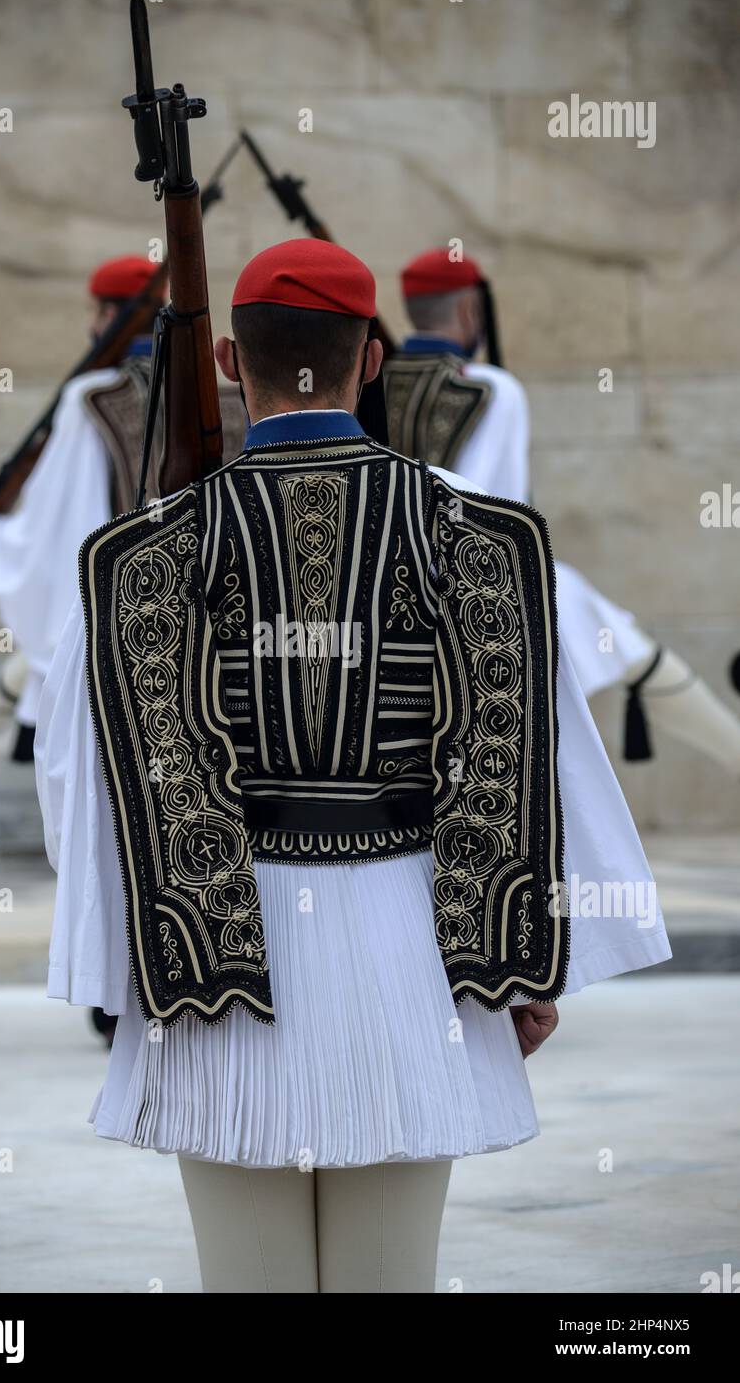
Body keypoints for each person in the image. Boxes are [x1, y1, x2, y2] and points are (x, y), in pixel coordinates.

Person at [35, 238, 670, 1295]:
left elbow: (85, 782)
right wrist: (522, 958)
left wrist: (126, 968)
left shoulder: (140, 553)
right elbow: (524, 758)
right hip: (412, 951)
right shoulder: (481, 535)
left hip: (218, 966)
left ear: (233, 362)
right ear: (371, 360)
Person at [0, 254, 245, 765]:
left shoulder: (90, 396)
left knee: (54, 654)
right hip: (207, 607)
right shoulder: (216, 391)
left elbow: (63, 525)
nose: (90, 326)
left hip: (118, 610)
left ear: (113, 316)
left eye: (96, 312)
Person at [384, 248, 740, 777]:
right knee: (622, 644)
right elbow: (497, 505)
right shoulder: (490, 388)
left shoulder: (373, 378)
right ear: (469, 312)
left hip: (393, 586)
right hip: (481, 588)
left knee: (616, 641)